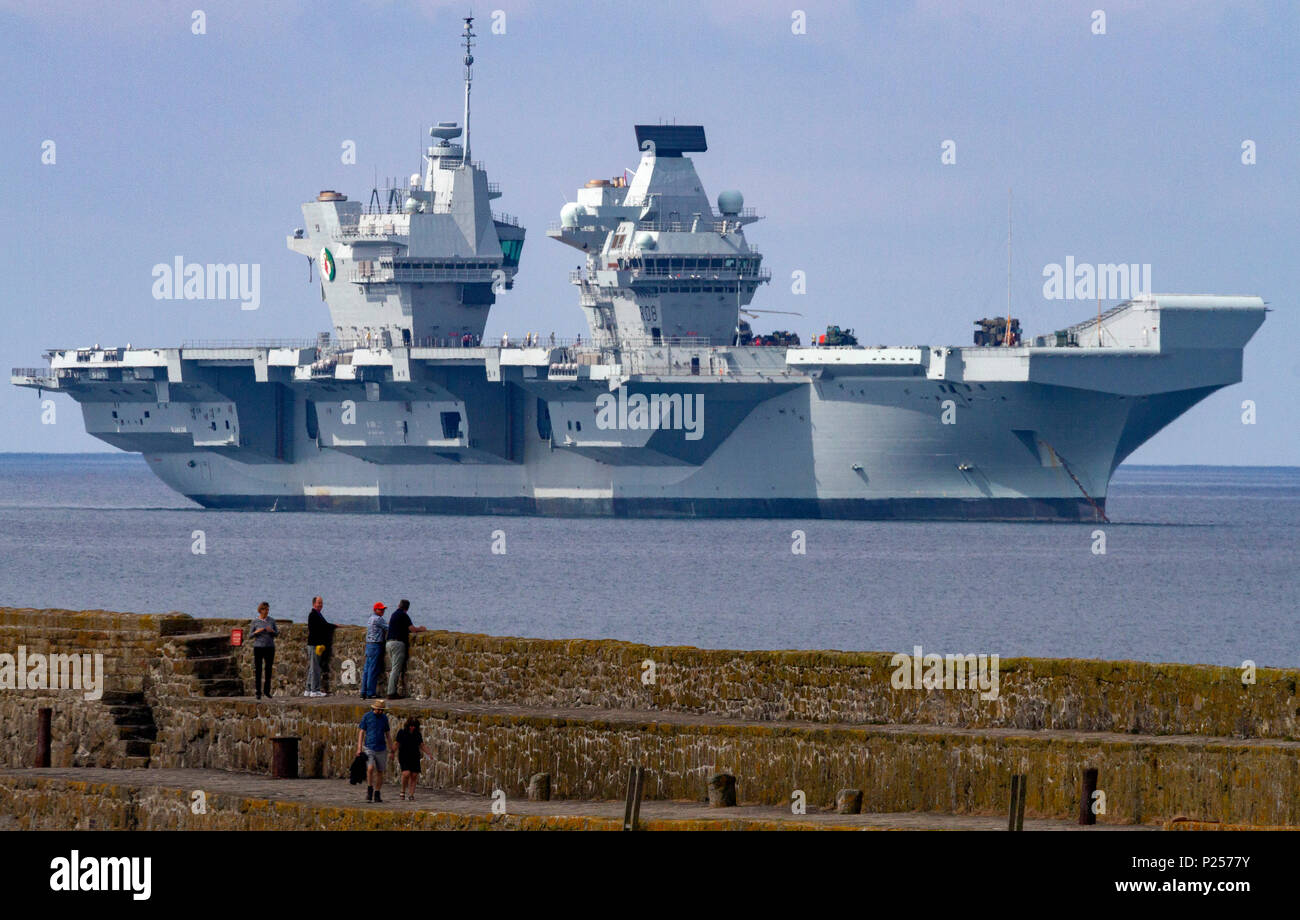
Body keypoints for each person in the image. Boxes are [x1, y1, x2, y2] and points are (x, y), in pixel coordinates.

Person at [386, 599, 427, 699]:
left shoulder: (394, 614)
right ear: (407, 608)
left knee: (393, 668)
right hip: (398, 643)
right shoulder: (403, 615)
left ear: (398, 605)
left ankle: (391, 691)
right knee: (396, 669)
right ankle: (391, 693)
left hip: (389, 643)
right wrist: (421, 629)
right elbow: (412, 629)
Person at [356, 698, 395, 802]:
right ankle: (369, 789)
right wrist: (359, 748)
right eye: (379, 710)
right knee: (370, 768)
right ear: (374, 708)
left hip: (381, 748)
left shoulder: (384, 718)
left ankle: (377, 792)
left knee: (380, 771)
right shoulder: (367, 717)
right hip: (369, 747)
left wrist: (392, 749)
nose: (381, 712)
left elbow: (387, 734)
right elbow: (361, 732)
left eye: (382, 710)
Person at [395, 716, 432, 801]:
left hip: (414, 756)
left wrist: (428, 753)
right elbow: (397, 743)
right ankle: (403, 791)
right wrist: (392, 751)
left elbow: (421, 745)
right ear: (408, 725)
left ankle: (411, 794)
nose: (412, 727)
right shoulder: (401, 732)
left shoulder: (417, 734)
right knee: (406, 774)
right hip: (404, 755)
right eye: (411, 725)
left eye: (414, 726)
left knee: (414, 775)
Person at [304, 596, 332, 697]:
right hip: (314, 644)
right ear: (314, 604)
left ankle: (308, 689)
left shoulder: (316, 614)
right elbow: (323, 626)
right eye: (318, 603)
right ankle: (314, 690)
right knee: (315, 668)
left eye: (321, 603)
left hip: (313, 644)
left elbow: (324, 625)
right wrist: (334, 626)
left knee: (312, 667)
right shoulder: (314, 615)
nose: (320, 605)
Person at [249, 601, 277, 700]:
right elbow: (250, 635)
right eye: (265, 609)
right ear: (261, 610)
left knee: (268, 670)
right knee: (258, 670)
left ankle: (267, 691)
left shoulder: (272, 621)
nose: (267, 611)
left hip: (270, 647)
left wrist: (272, 631)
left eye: (268, 609)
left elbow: (276, 634)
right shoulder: (255, 621)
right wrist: (257, 631)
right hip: (258, 647)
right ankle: (258, 692)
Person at [361, 601, 387, 699]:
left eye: (383, 609)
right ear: (376, 610)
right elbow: (388, 627)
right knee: (373, 669)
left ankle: (363, 691)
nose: (383, 611)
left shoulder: (370, 618)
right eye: (381, 609)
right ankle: (370, 692)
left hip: (369, 645)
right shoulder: (378, 619)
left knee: (367, 669)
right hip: (376, 645)